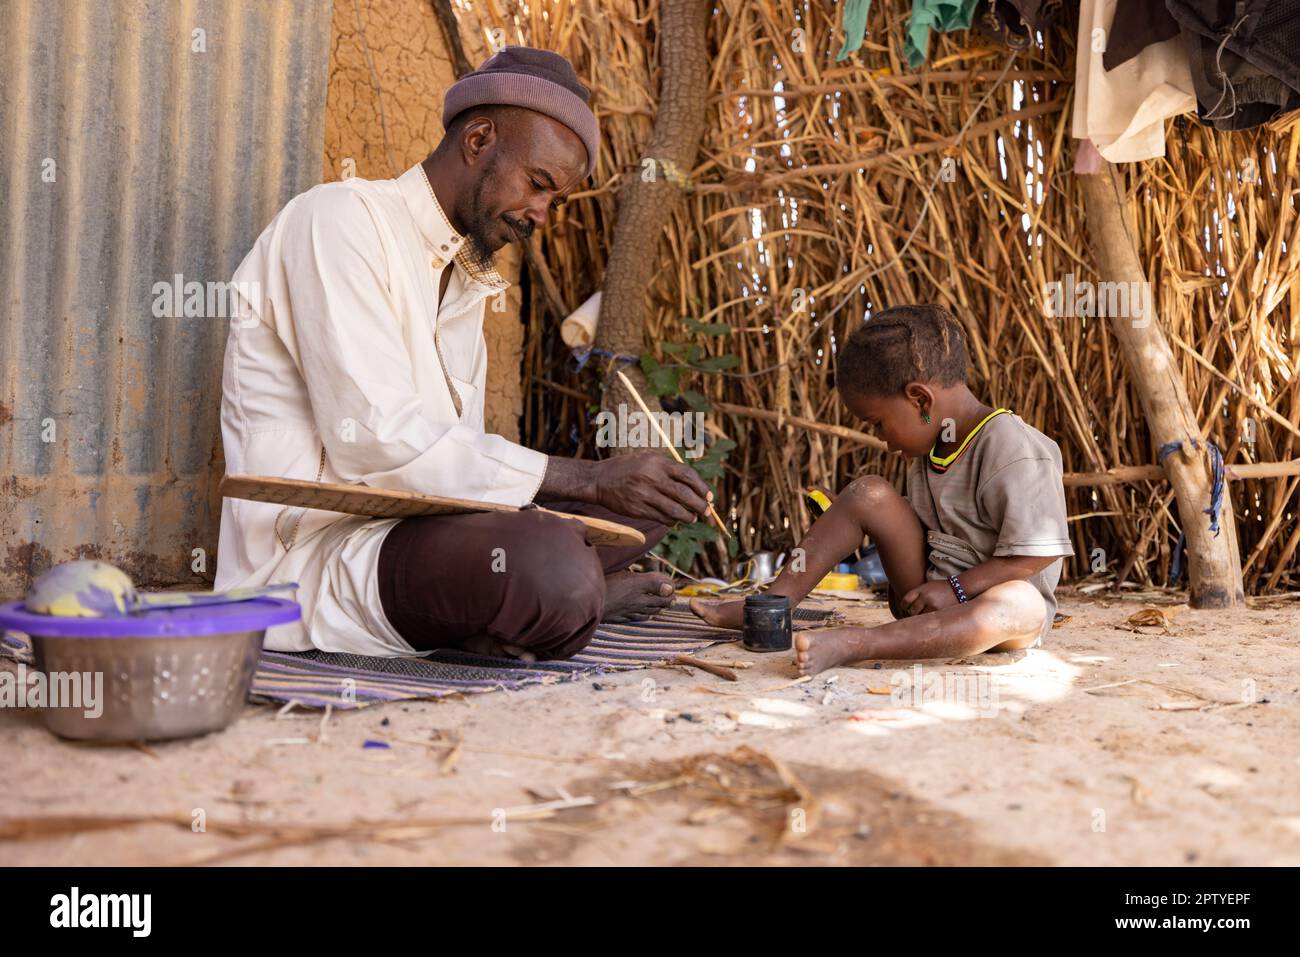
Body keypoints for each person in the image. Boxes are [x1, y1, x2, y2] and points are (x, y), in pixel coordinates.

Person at [216, 47, 711, 659]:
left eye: (554, 201)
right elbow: (373, 440)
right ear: (479, 139)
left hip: (421, 536)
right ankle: (573, 596)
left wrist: (600, 489)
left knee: (648, 506)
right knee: (549, 561)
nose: (540, 216)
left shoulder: (468, 282)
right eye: (538, 185)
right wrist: (584, 476)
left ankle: (553, 600)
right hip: (313, 557)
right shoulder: (339, 219)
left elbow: (453, 479)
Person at [690, 304, 1073, 674]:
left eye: (877, 423)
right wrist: (846, 519)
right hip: (927, 596)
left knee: (1019, 604)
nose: (882, 440)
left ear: (920, 399)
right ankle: (773, 606)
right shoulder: (933, 441)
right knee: (867, 492)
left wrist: (956, 589)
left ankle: (858, 643)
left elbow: (1034, 556)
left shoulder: (1015, 449)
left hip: (994, 606)